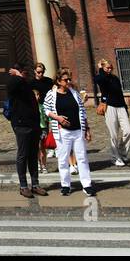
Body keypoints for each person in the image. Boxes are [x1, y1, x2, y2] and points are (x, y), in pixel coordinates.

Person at [43, 68, 94, 196]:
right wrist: (58, 118)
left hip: (78, 130)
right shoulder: (52, 94)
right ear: (59, 81)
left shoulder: (74, 93)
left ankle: (87, 184)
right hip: (63, 131)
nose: (68, 81)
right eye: (66, 80)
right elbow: (46, 110)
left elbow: (82, 111)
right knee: (63, 159)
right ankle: (65, 185)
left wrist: (87, 128)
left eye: (69, 79)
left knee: (82, 158)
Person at [5, 62, 48, 198]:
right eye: (23, 72)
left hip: (33, 124)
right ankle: (23, 186)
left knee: (33, 155)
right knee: (23, 155)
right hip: (21, 124)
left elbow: (35, 85)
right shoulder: (13, 83)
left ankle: (35, 184)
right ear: (18, 72)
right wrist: (18, 76)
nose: (25, 74)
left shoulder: (26, 83)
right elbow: (17, 86)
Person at [93, 58, 130, 167]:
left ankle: (122, 153)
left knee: (128, 131)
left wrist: (125, 108)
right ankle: (115, 157)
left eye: (111, 67)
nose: (109, 69)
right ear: (103, 68)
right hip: (109, 106)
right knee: (114, 134)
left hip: (120, 106)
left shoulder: (115, 78)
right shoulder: (101, 77)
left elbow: (120, 93)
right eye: (107, 68)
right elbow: (100, 81)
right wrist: (100, 69)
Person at [32, 63, 55, 171]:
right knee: (37, 140)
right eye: (38, 72)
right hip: (36, 108)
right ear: (34, 71)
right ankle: (38, 163)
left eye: (42, 72)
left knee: (50, 129)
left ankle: (52, 147)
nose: (40, 74)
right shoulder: (31, 83)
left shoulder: (48, 81)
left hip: (47, 107)